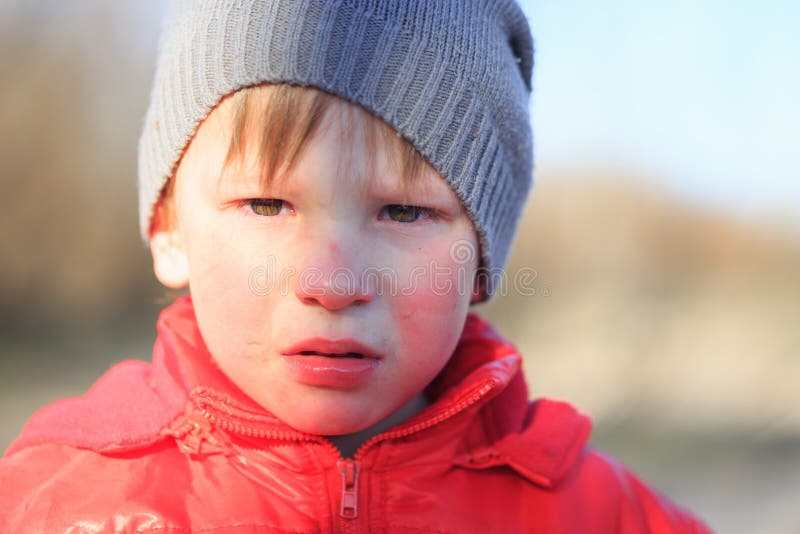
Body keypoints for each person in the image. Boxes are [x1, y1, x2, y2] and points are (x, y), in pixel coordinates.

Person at [0, 1, 711, 531]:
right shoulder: (58, 501)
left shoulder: (597, 515)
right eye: (268, 204)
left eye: (403, 213)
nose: (333, 282)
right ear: (169, 229)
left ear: (481, 262)